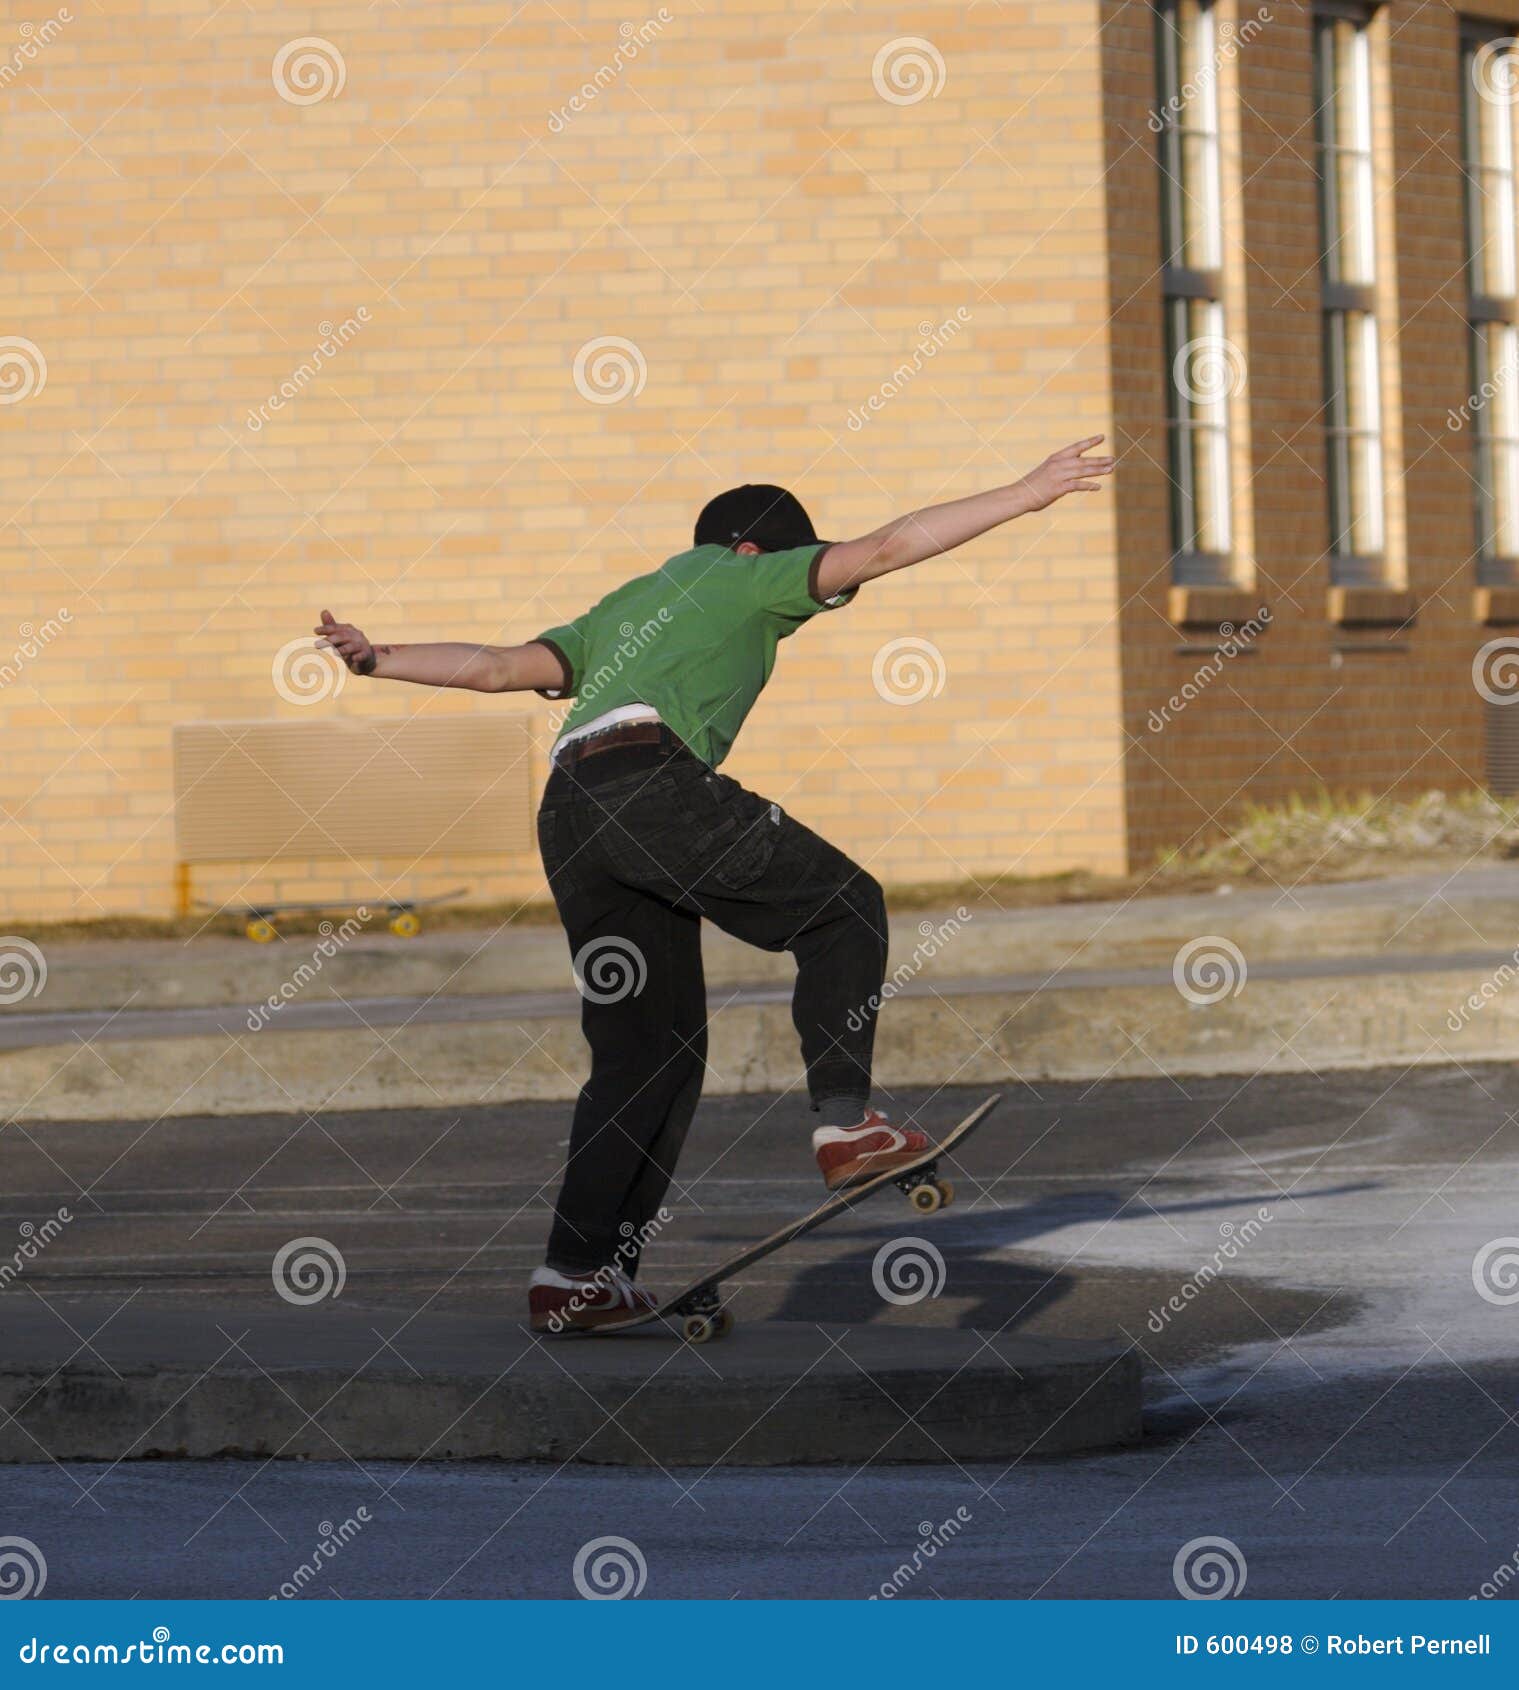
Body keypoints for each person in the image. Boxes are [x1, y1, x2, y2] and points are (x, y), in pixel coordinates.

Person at [314, 436, 1113, 1329]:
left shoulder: (626, 605)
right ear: (755, 550)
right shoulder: (746, 572)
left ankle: (575, 1277)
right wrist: (1026, 492)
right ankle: (845, 1124)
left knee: (644, 1058)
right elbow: (887, 546)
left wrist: (377, 657)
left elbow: (499, 668)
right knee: (843, 906)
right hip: (651, 786)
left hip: (572, 811)